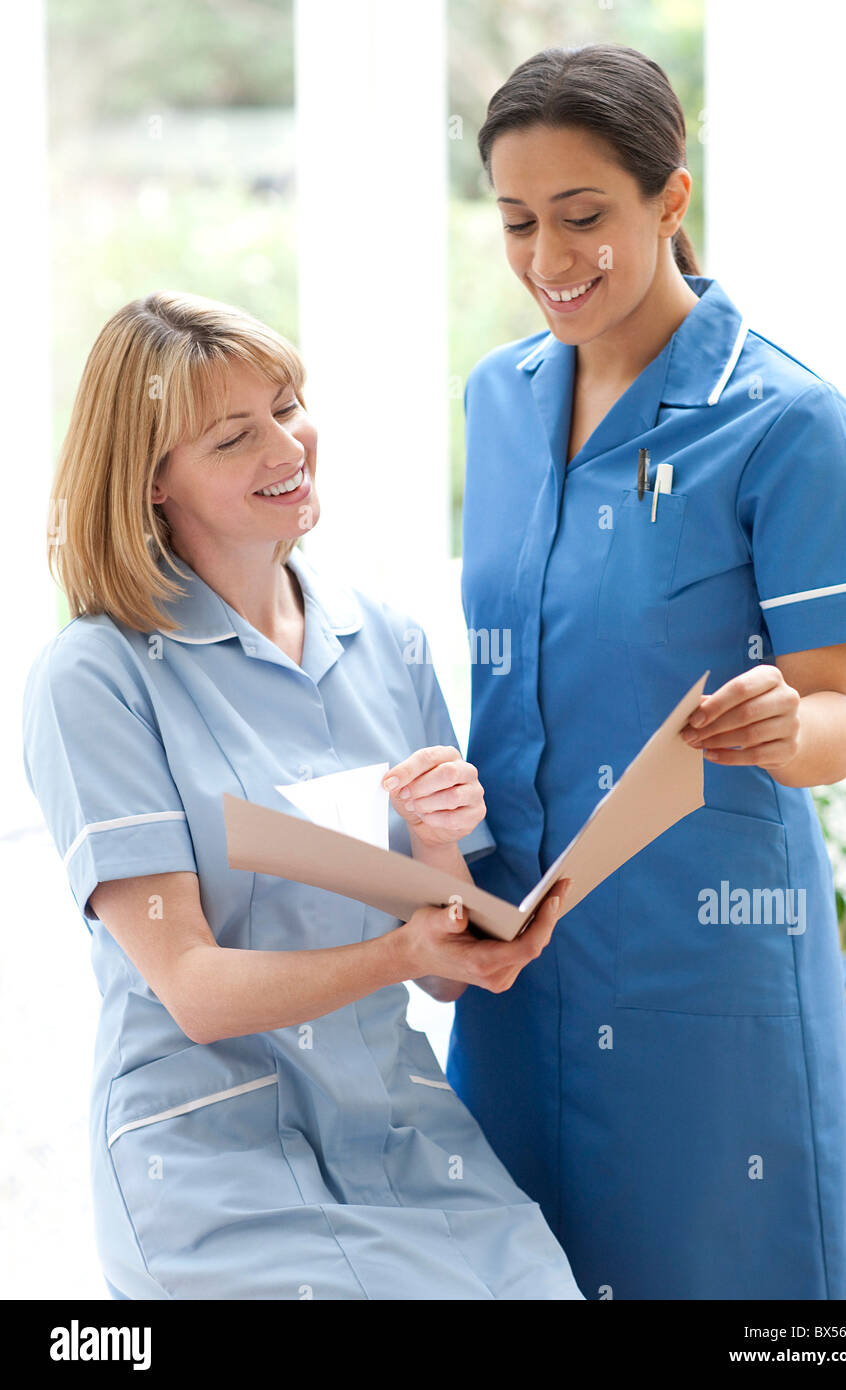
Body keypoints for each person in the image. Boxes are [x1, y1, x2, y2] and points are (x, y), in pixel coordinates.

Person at [22, 290, 583, 1301]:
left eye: (288, 405)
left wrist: (442, 855)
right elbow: (191, 986)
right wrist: (397, 951)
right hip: (210, 1158)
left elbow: (446, 973)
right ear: (153, 480)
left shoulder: (384, 636)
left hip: (399, 1131)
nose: (289, 445)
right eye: (237, 435)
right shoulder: (96, 676)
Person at [445, 44, 846, 1300]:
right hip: (516, 957)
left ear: (669, 200)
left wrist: (778, 722)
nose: (547, 260)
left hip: (702, 963)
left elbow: (833, 721)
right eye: (518, 221)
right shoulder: (496, 399)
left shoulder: (785, 422)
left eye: (583, 217)